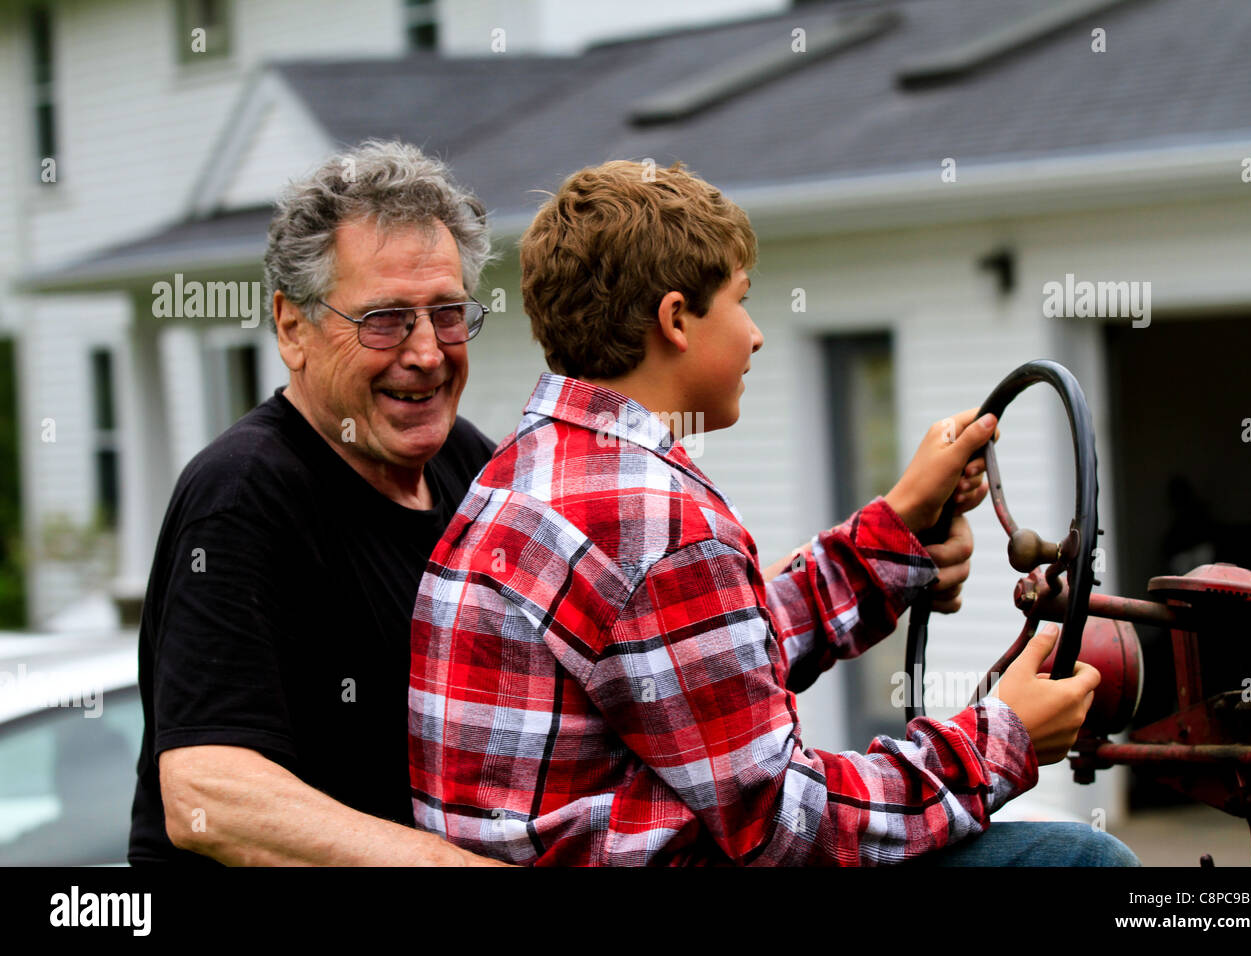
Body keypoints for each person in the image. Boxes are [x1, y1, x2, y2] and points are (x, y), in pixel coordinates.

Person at [408, 160, 1139, 866]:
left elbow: (706, 670)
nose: (756, 333)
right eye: (742, 299)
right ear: (676, 320)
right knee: (1078, 858)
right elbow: (786, 829)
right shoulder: (659, 527)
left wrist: (896, 528)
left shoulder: (518, 474)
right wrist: (999, 741)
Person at [129, 140, 509, 865]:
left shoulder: (472, 466)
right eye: (386, 319)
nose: (427, 351)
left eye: (448, 313)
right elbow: (206, 790)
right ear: (292, 328)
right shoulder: (243, 499)